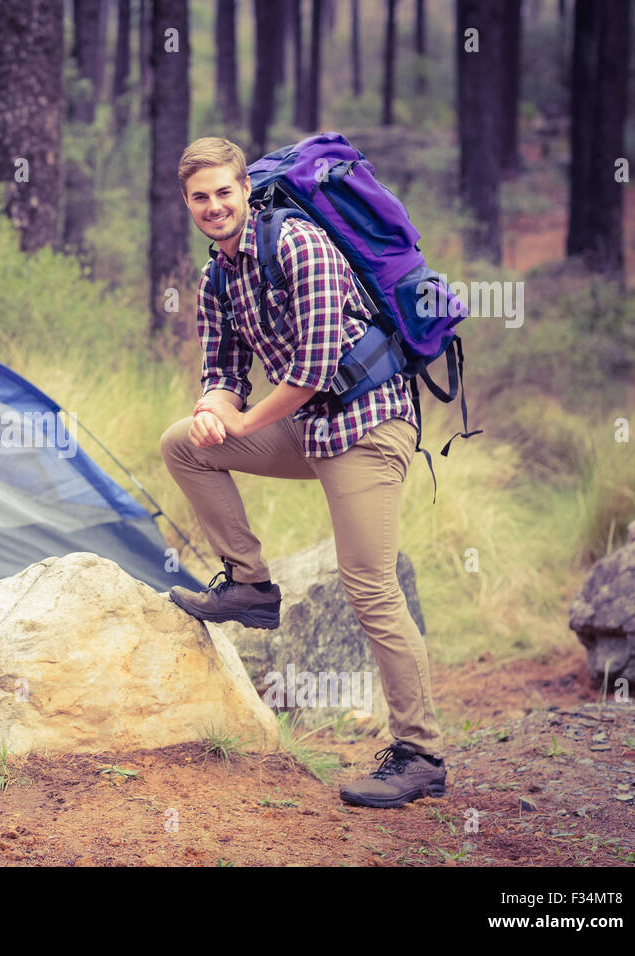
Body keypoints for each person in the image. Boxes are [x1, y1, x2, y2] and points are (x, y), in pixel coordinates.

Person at [159, 137, 445, 808]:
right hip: (311, 427)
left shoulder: (299, 246)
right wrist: (210, 409)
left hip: (369, 424)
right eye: (199, 197)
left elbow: (313, 372)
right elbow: (223, 374)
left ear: (245, 190)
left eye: (224, 192)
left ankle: (421, 754)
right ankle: (251, 586)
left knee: (368, 585)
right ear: (188, 203)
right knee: (183, 444)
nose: (213, 206)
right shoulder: (217, 277)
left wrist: (242, 421)